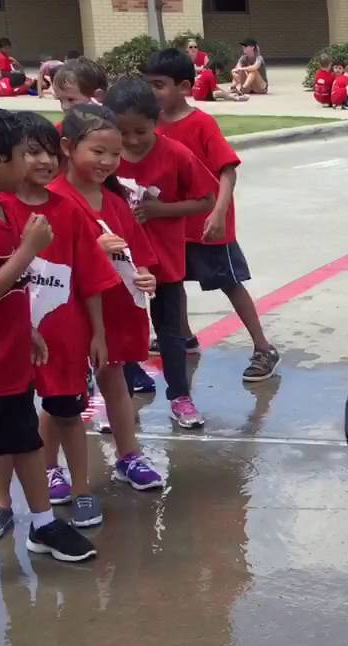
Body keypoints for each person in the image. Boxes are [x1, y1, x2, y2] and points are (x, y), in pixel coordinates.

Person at [0, 105, 96, 562]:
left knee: (24, 442)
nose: (30, 164)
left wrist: (25, 330)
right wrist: (28, 250)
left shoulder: (4, 209)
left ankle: (43, 525)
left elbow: (9, 289)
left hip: (9, 363)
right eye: (22, 154)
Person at [0, 112, 119, 526]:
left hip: (64, 336)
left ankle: (81, 489)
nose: (45, 161)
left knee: (67, 412)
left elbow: (90, 278)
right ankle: (0, 501)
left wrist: (98, 333)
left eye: (50, 153)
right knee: (7, 423)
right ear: (7, 157)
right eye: (31, 153)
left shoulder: (68, 212)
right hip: (9, 336)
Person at [50, 103, 166, 494]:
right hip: (69, 310)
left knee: (115, 379)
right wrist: (93, 249)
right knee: (63, 390)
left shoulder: (114, 201)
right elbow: (44, 260)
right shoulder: (54, 199)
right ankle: (48, 466)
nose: (107, 161)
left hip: (114, 306)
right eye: (97, 151)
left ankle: (128, 454)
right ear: (68, 147)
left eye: (115, 154)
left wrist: (145, 275)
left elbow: (138, 251)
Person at [144, 48, 280, 382]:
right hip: (171, 223)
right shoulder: (148, 125)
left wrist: (218, 213)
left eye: (159, 85)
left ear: (184, 87)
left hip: (207, 223)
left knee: (229, 283)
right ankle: (184, 336)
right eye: (148, 85)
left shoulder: (202, 123)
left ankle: (263, 347)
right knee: (172, 282)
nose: (152, 92)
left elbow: (227, 170)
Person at [106, 77, 219, 429]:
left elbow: (206, 199)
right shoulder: (104, 159)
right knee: (122, 332)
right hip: (120, 264)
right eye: (123, 133)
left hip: (164, 260)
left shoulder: (176, 154)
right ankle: (120, 399)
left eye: (140, 131)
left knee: (170, 331)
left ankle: (180, 396)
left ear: (156, 121)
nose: (132, 141)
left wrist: (160, 210)